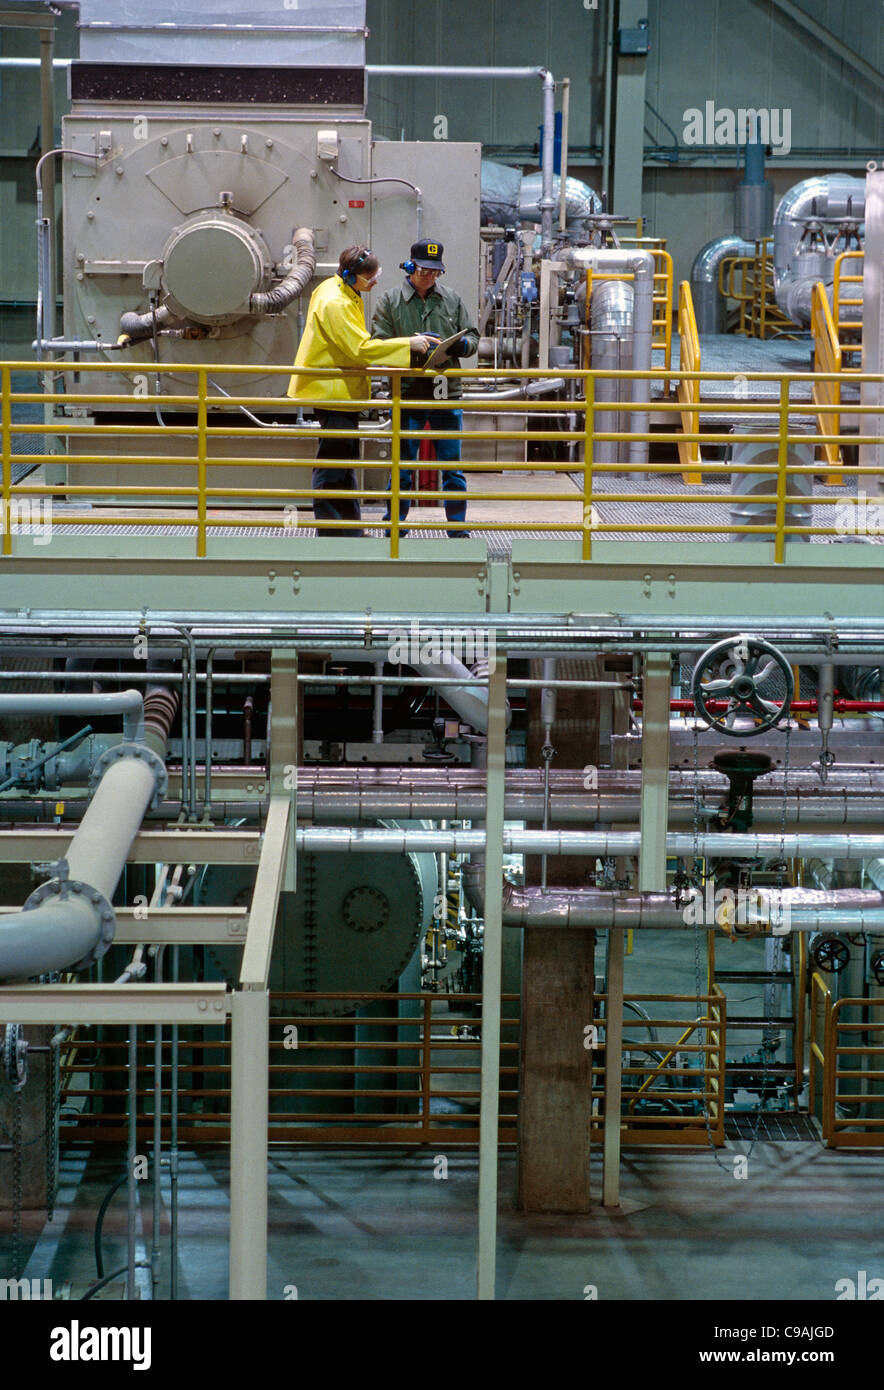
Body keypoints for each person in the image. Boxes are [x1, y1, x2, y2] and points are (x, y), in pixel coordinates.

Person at [288, 246, 436, 535]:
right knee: (333, 465)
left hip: (339, 391)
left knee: (344, 463)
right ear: (351, 275)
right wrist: (408, 345)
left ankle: (348, 528)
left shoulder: (338, 288)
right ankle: (332, 531)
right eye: (370, 279)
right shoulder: (336, 302)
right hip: (331, 392)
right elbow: (360, 350)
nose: (375, 283)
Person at [371, 239, 479, 537]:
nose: (430, 276)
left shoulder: (451, 300)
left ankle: (458, 530)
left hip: (446, 392)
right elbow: (378, 343)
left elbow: (473, 338)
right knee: (403, 465)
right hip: (407, 392)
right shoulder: (390, 301)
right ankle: (395, 525)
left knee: (452, 467)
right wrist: (411, 349)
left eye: (435, 272)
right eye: (424, 270)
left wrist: (462, 344)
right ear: (410, 267)